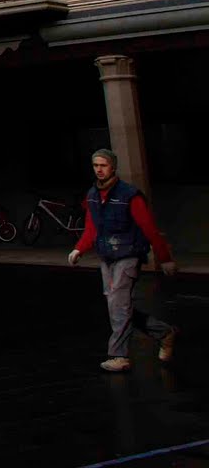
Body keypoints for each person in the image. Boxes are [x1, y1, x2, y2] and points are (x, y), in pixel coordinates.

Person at [68, 148, 178, 373]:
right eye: (96, 165)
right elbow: (92, 227)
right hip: (107, 256)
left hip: (128, 254)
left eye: (103, 165)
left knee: (118, 305)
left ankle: (119, 356)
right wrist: (79, 249)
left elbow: (149, 228)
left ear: (113, 166)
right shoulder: (92, 195)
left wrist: (165, 258)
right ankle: (164, 332)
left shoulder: (129, 195)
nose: (99, 169)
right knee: (118, 306)